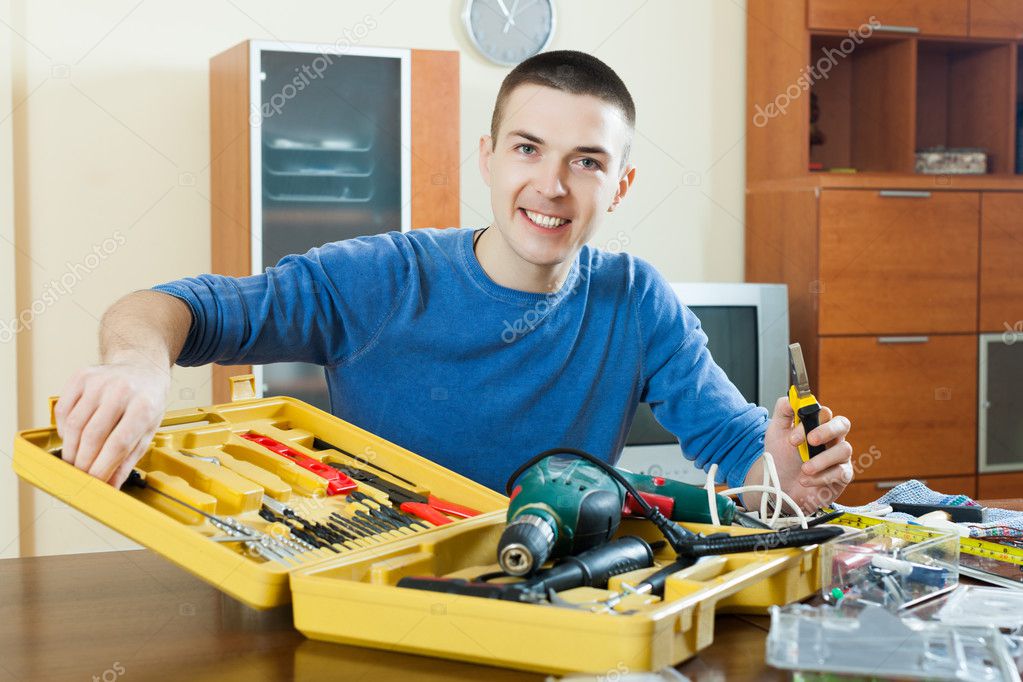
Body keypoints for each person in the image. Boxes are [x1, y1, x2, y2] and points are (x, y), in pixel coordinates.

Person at [54, 50, 853, 511]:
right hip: (375, 590)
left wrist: (783, 470)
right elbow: (166, 309)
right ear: (488, 155)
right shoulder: (378, 277)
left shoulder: (635, 299)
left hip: (560, 603)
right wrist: (137, 364)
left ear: (621, 186)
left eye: (587, 163)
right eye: (528, 149)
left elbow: (736, 449)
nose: (550, 186)